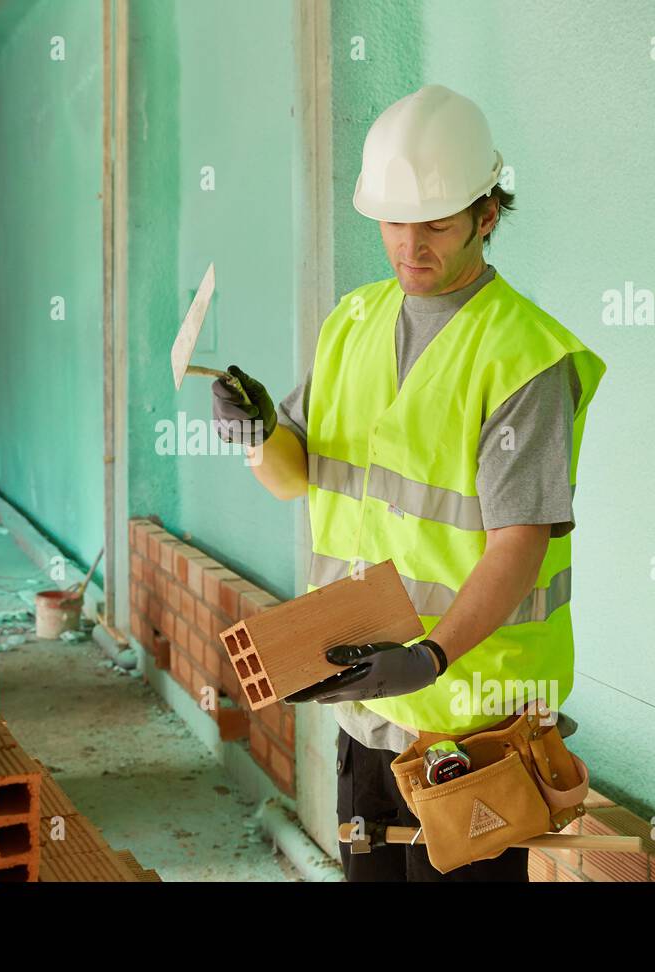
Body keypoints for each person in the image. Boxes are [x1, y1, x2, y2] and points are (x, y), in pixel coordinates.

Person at [211, 85, 606, 882]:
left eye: (436, 224)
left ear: (487, 215)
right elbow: (296, 480)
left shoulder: (525, 357)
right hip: (367, 713)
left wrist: (430, 657)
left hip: (476, 730)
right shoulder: (353, 321)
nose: (410, 245)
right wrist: (255, 437)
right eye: (395, 221)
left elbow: (519, 543)